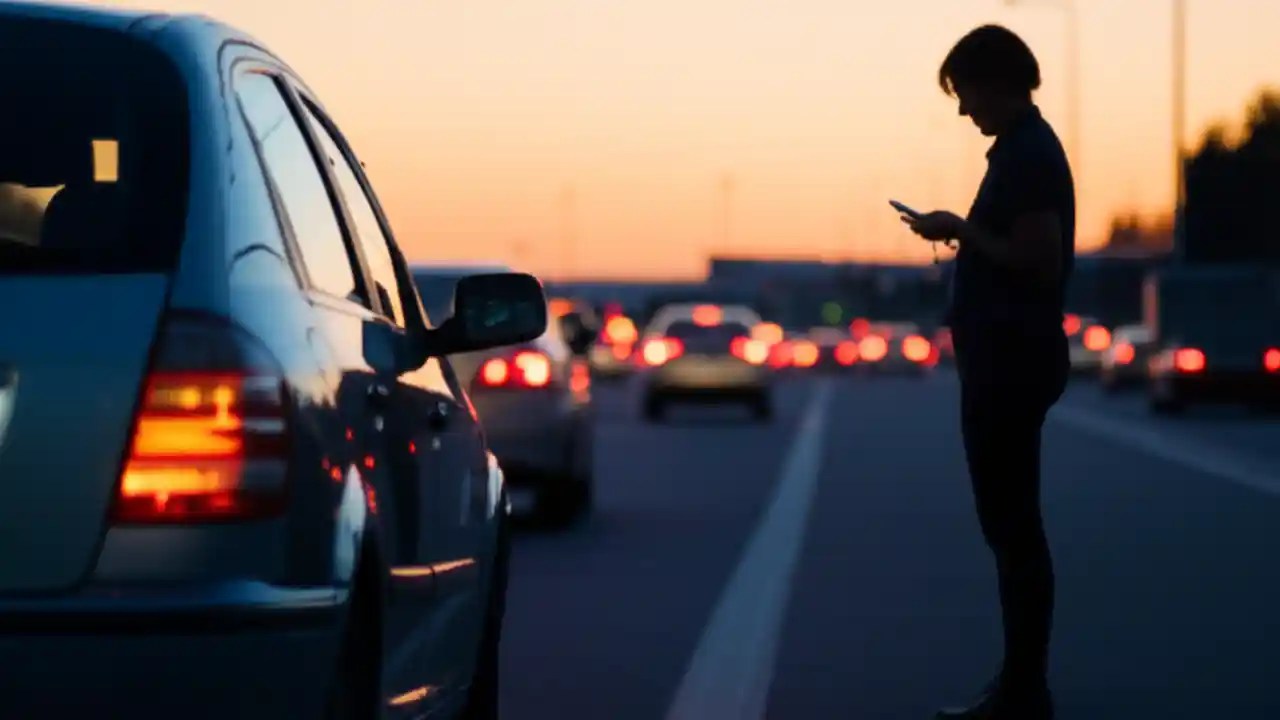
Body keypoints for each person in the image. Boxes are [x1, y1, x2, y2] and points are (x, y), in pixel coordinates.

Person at [901, 24, 1074, 720]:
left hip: (1012, 364)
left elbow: (1038, 255)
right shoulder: (1021, 151)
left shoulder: (1029, 155)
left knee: (1013, 530)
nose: (963, 110)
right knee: (1009, 528)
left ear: (996, 81)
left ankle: (1023, 693)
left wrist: (961, 230)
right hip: (1005, 361)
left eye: (965, 93)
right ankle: (1020, 687)